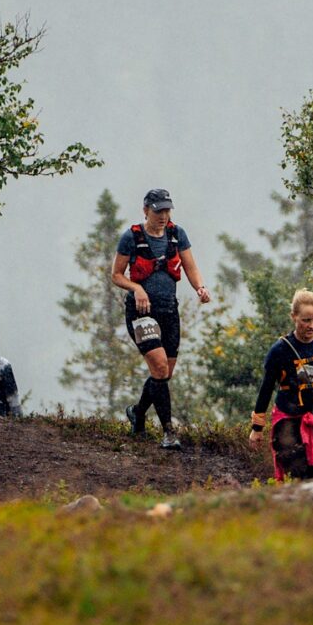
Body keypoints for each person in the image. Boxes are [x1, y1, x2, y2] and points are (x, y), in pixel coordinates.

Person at [112, 186, 210, 450]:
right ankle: (168, 432)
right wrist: (137, 288)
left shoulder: (177, 235)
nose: (163, 215)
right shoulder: (131, 237)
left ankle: (138, 411)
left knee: (163, 374)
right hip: (141, 312)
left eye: (167, 210)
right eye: (158, 210)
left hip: (169, 310)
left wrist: (200, 288)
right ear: (146, 210)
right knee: (159, 368)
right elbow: (117, 275)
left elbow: (190, 267)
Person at [248, 288, 313, 481]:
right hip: (287, 422)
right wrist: (257, 428)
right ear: (294, 316)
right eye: (306, 320)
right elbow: (266, 389)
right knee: (294, 479)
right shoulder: (280, 350)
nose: (312, 325)